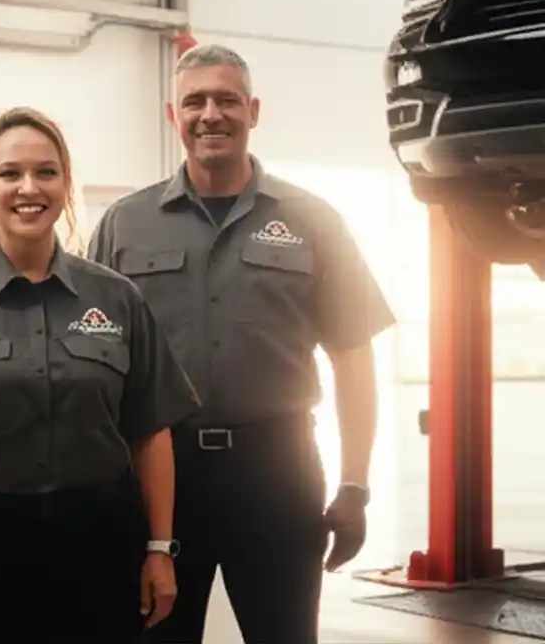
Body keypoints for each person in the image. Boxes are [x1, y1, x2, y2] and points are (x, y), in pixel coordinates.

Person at [88, 43, 396, 644]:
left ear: (253, 110)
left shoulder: (313, 221)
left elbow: (353, 357)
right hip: (161, 475)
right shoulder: (125, 225)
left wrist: (355, 486)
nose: (211, 115)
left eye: (227, 100)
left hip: (277, 472)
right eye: (195, 102)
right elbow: (94, 362)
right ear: (173, 117)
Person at [0, 106, 201, 642]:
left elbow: (150, 432)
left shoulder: (117, 298)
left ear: (67, 184)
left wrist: (159, 550)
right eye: (10, 173)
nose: (29, 188)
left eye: (46, 172)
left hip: (99, 540)